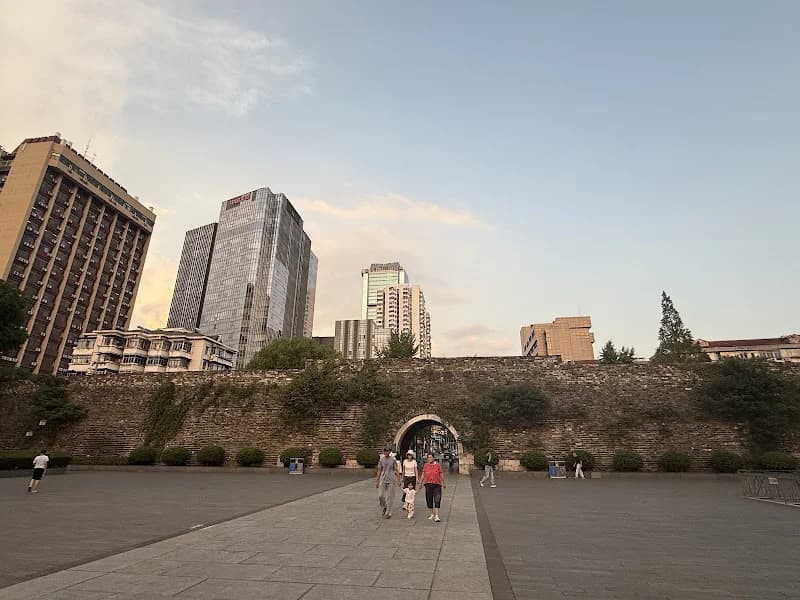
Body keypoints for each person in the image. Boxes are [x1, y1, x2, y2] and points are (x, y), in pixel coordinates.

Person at [419, 452, 446, 522]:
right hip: (428, 484)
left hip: (437, 484)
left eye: (431, 457)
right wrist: (420, 483)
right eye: (428, 457)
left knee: (437, 499)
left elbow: (441, 474)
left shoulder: (438, 465)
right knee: (429, 499)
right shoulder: (426, 465)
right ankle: (432, 514)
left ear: (433, 458)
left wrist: (443, 482)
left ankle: (437, 515)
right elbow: (423, 474)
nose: (429, 459)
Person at [376, 446, 401, 518]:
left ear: (389, 452)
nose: (386, 452)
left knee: (390, 497)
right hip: (383, 479)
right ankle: (384, 506)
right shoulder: (381, 459)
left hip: (391, 479)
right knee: (380, 495)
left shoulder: (393, 459)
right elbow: (379, 470)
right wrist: (377, 480)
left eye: (387, 451)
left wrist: (399, 480)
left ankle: (388, 512)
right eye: (385, 451)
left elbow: (396, 470)